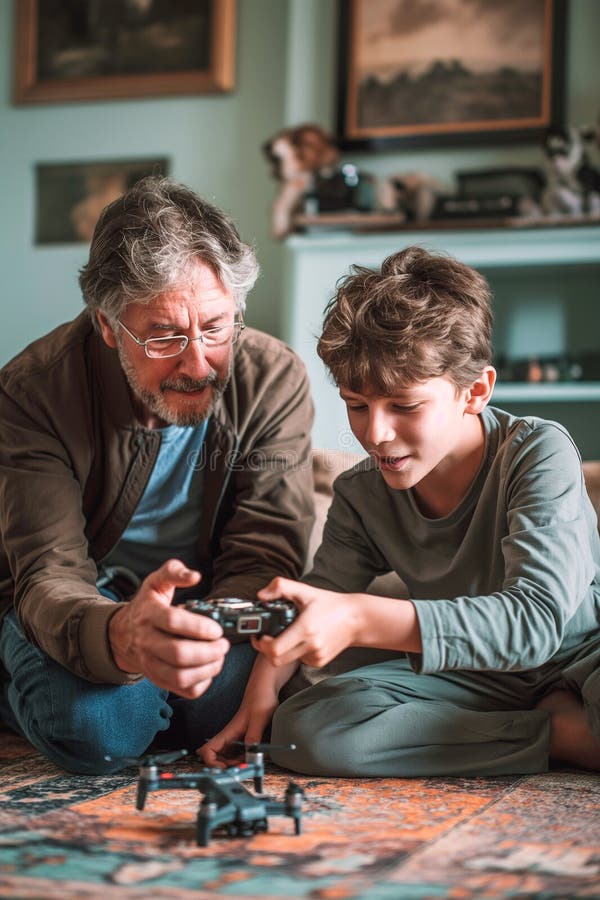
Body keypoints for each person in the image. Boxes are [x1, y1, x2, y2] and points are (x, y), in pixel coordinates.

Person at [201, 245, 600, 777]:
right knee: (305, 729)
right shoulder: (361, 493)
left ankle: (553, 724)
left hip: (581, 659)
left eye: (404, 406)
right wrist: (260, 695)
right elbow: (317, 596)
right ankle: (560, 734)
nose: (375, 433)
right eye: (356, 405)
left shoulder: (537, 453)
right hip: (474, 674)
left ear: (475, 391)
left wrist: (359, 617)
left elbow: (535, 622)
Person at [0, 176, 314, 774]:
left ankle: (131, 702)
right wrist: (123, 637)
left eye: (216, 327)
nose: (197, 364)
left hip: (206, 605)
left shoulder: (273, 378)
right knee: (101, 731)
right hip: (80, 606)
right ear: (108, 326)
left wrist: (195, 633)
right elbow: (48, 572)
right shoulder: (31, 392)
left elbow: (265, 551)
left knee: (247, 703)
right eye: (165, 336)